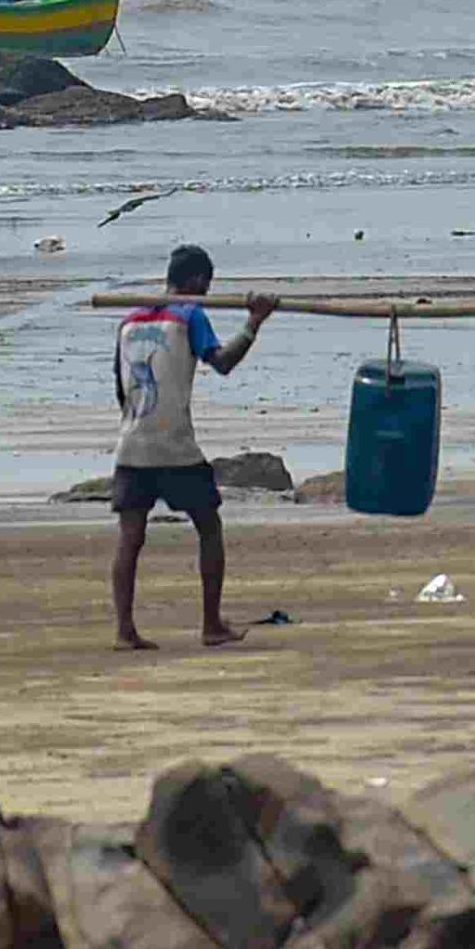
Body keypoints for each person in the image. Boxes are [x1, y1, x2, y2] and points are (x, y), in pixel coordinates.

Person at [107, 245, 279, 651]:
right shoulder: (189, 316)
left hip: (131, 444)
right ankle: (210, 624)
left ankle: (124, 630)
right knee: (209, 525)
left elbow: (120, 387)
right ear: (199, 280)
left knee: (130, 536)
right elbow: (222, 362)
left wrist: (138, 424)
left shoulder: (128, 320)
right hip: (175, 448)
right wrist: (254, 323)